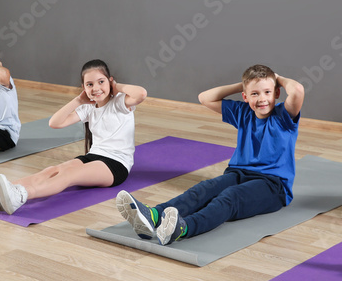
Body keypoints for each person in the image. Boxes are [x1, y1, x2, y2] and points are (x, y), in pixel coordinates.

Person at [116, 64, 304, 245]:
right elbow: (205, 98)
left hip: (273, 185)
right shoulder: (243, 112)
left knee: (230, 198)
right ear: (245, 97)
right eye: (255, 93)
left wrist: (277, 79)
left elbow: (296, 89)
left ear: (277, 93)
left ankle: (183, 228)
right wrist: (244, 84)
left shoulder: (284, 116)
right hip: (238, 173)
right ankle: (155, 216)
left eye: (267, 92)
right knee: (204, 189)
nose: (262, 98)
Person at [0, 59, 147, 215]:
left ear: (110, 81)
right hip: (94, 156)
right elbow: (54, 123)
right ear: (84, 88)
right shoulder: (89, 107)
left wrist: (116, 86)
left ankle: (20, 196)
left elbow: (141, 94)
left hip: (116, 164)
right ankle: (4, 192)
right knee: (53, 170)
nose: (96, 88)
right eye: (89, 84)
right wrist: (78, 101)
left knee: (69, 175)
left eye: (101, 82)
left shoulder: (120, 102)